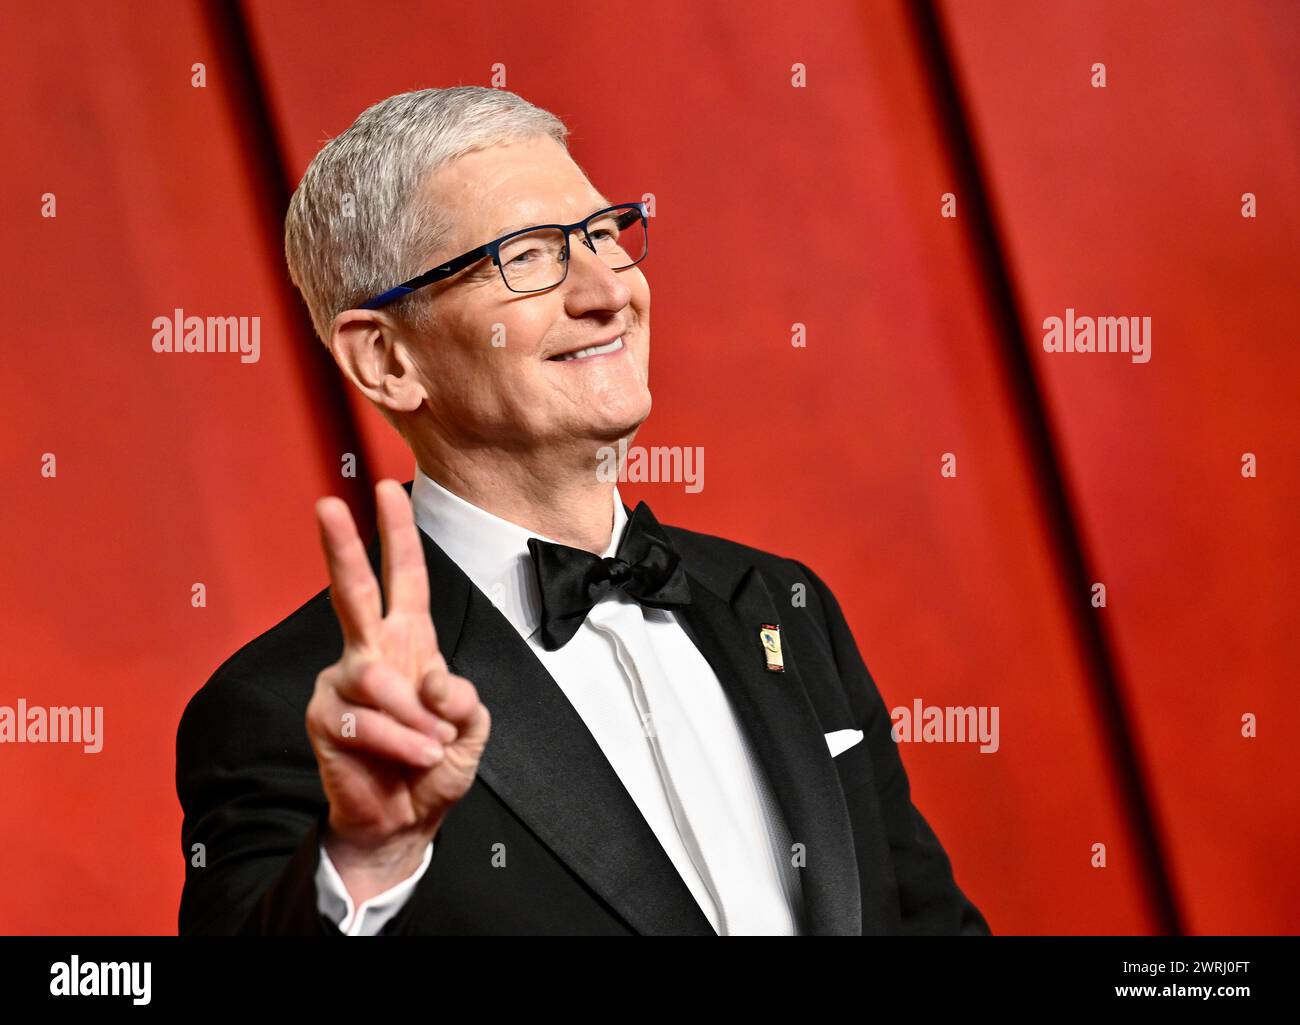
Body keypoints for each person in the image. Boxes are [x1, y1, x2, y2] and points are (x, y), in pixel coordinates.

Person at [176, 85, 989, 936]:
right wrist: (366, 858)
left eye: (603, 234)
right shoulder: (278, 709)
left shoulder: (784, 603)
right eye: (525, 256)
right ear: (386, 359)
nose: (607, 291)